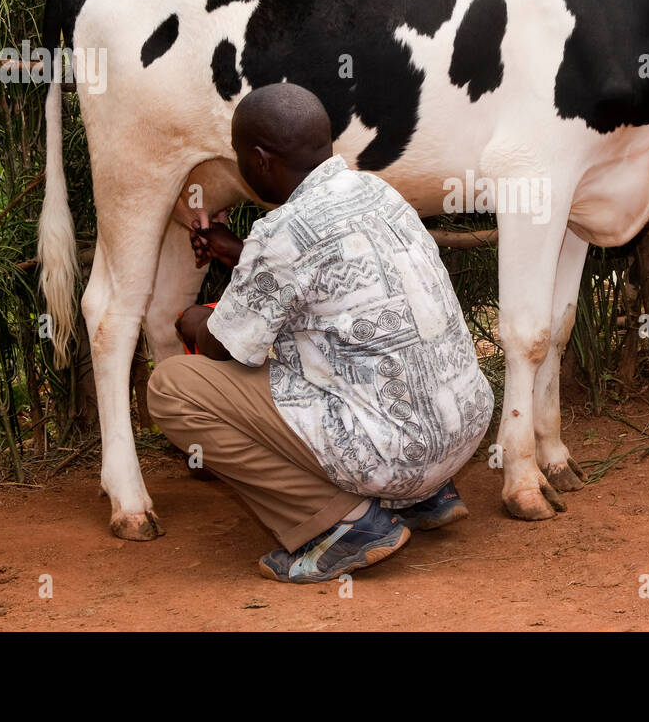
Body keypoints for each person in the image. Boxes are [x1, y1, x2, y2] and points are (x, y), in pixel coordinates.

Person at [147, 83, 494, 583]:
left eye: (240, 156)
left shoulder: (282, 232)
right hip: (460, 430)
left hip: (392, 454)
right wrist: (240, 253)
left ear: (261, 160)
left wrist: (192, 318)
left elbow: (223, 345)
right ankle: (426, 498)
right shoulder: (378, 191)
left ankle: (344, 526)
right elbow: (322, 279)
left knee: (174, 387)